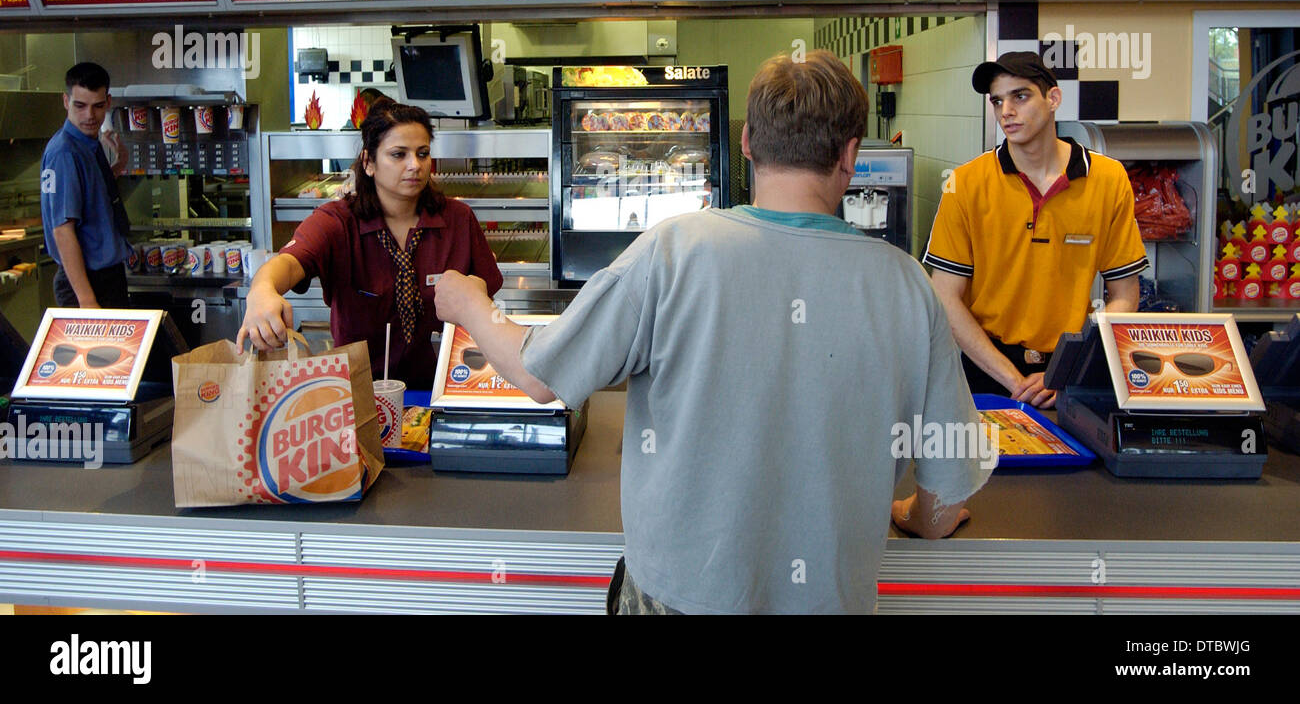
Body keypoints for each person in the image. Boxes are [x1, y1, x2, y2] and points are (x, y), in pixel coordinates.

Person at [435, 50, 988, 615]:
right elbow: (942, 503)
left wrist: (473, 305)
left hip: (680, 598)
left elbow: (539, 376)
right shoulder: (906, 284)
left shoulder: (672, 250)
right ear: (850, 155)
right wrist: (911, 513)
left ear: (747, 142)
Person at [922, 52, 1147, 409]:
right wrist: (1014, 380)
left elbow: (1124, 295)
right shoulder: (965, 184)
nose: (1005, 111)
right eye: (997, 101)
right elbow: (945, 297)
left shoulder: (1108, 179)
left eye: (1020, 96)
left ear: (1053, 99)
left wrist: (1070, 369)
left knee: (1080, 466)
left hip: (1069, 370)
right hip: (984, 369)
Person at [237, 99, 502, 391]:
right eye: (398, 154)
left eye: (422, 153)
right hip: (360, 395)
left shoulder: (457, 219)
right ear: (369, 163)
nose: (415, 165)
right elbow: (289, 262)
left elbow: (486, 296)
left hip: (444, 388)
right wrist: (262, 290)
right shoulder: (338, 222)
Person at [41, 62, 133, 309]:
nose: (89, 116)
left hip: (108, 276)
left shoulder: (89, 143)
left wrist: (119, 165)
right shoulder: (65, 152)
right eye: (80, 106)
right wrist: (86, 299)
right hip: (88, 283)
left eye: (98, 106)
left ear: (108, 102)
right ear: (65, 101)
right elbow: (62, 230)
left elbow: (91, 195)